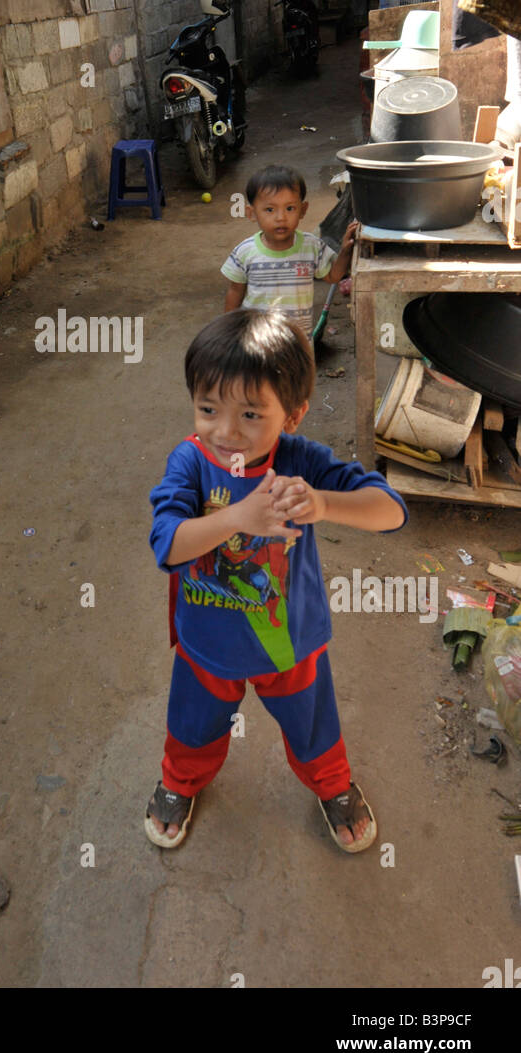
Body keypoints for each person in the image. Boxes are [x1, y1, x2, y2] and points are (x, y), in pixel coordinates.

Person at [145, 309, 406, 852]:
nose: (225, 431)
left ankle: (332, 785)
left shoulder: (300, 461)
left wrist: (323, 502)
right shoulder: (190, 463)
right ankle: (181, 780)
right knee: (193, 724)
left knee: (313, 725)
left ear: (292, 415)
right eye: (207, 408)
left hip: (291, 641)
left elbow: (391, 511)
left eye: (249, 414)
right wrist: (237, 519)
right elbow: (166, 545)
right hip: (207, 641)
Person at [221, 164, 357, 339]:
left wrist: (345, 250)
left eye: (290, 208)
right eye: (270, 210)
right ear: (252, 213)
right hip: (257, 341)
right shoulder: (244, 252)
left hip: (298, 344)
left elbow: (333, 277)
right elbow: (235, 292)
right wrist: (227, 331)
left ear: (303, 210)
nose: (281, 217)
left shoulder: (312, 247)